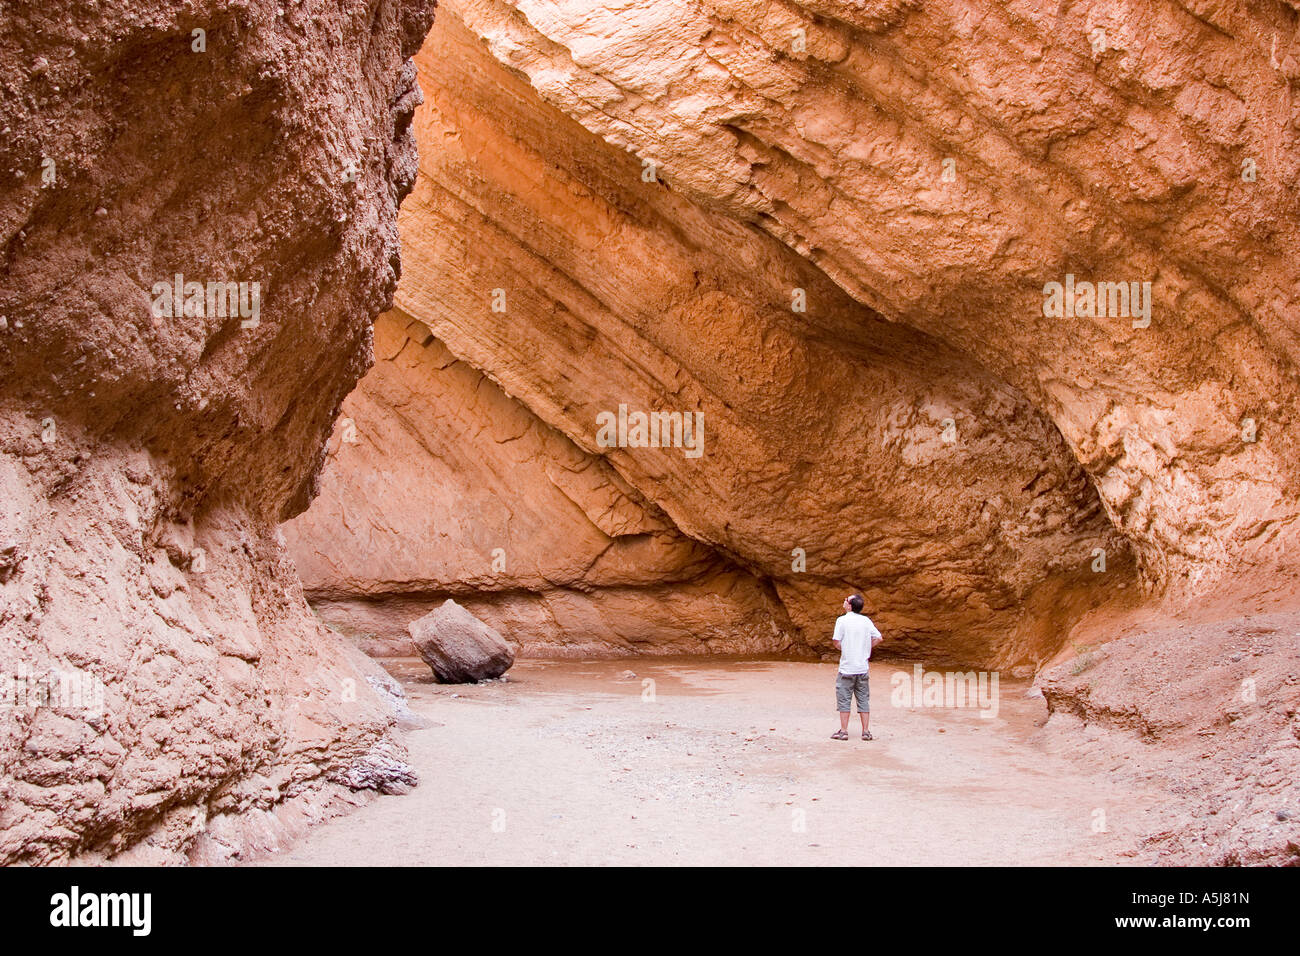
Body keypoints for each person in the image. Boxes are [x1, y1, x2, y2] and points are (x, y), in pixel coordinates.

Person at [831, 594, 882, 741]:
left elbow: (836, 641)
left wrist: (846, 649)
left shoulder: (842, 620)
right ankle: (866, 731)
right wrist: (865, 648)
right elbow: (879, 637)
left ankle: (844, 731)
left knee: (844, 699)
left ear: (850, 605)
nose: (844, 601)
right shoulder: (866, 621)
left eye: (846, 600)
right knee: (863, 699)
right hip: (862, 667)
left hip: (847, 667)